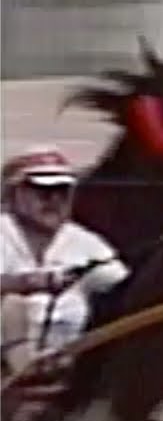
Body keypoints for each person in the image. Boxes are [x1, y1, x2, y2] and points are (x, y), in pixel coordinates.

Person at [0, 145, 129, 377]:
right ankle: (26, 376)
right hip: (8, 357)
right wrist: (28, 282)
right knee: (13, 306)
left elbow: (122, 284)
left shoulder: (84, 242)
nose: (54, 199)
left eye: (63, 191)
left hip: (69, 356)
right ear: (14, 194)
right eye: (42, 191)